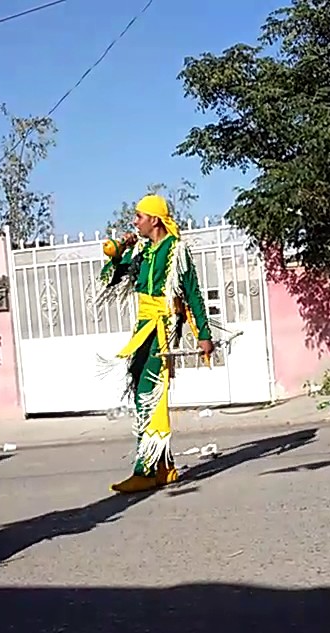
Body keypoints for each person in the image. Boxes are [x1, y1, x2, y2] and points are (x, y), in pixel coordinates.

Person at [99, 194, 215, 493]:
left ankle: (145, 469)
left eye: (138, 216)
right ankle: (165, 467)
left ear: (154, 219)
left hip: (162, 328)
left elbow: (193, 292)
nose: (134, 221)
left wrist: (204, 333)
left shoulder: (176, 251)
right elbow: (109, 279)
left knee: (147, 395)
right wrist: (118, 252)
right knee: (142, 390)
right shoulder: (141, 250)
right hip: (143, 327)